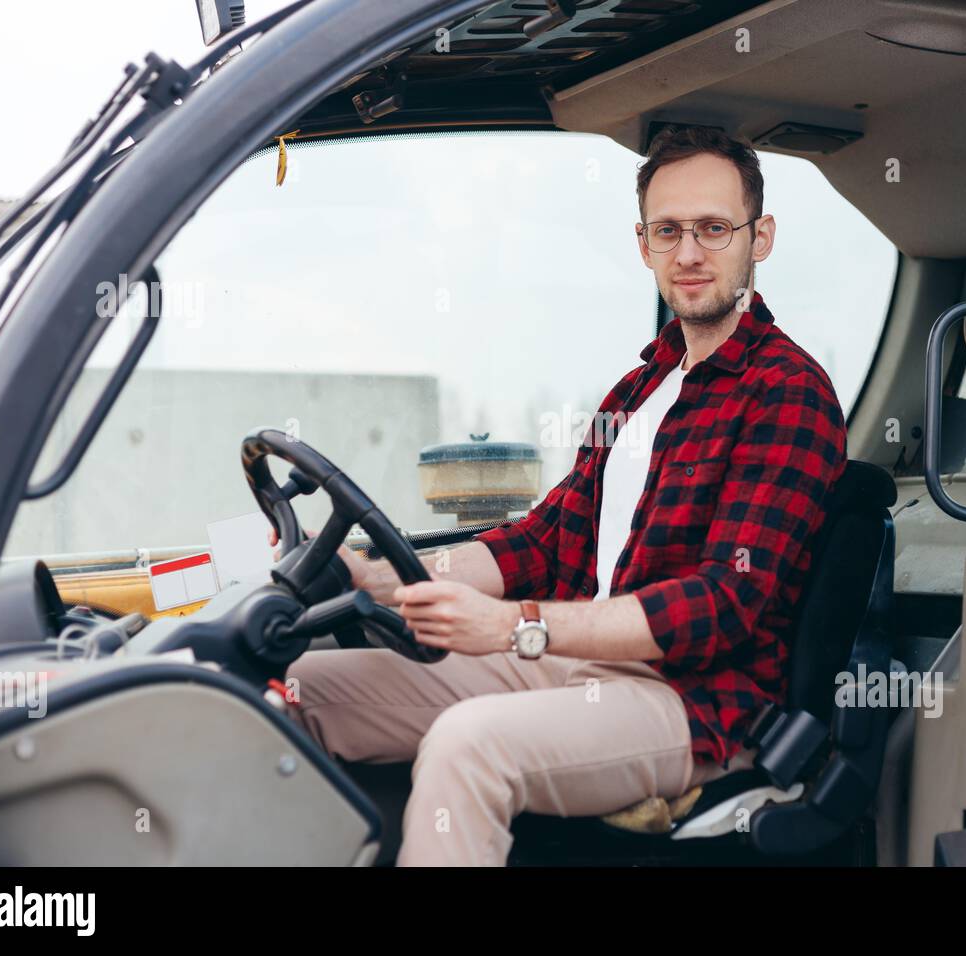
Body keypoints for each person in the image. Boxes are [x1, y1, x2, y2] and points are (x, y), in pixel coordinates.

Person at [284, 124, 848, 866]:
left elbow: (721, 603)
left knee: (467, 743)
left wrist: (516, 626)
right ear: (643, 242)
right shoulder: (639, 388)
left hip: (689, 706)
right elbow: (542, 543)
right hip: (573, 666)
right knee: (301, 689)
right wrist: (378, 579)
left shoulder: (788, 393)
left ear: (759, 236)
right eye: (668, 231)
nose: (688, 254)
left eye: (714, 229)